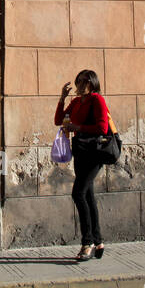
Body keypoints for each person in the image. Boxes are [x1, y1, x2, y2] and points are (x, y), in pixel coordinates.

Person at [54, 69, 113, 261]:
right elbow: (58, 121)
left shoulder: (97, 100)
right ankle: (99, 241)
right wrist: (62, 98)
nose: (79, 85)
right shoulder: (76, 102)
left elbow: (102, 127)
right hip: (79, 151)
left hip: (94, 153)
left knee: (78, 193)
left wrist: (77, 127)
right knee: (88, 195)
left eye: (84, 82)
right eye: (78, 81)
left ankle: (87, 243)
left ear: (92, 83)